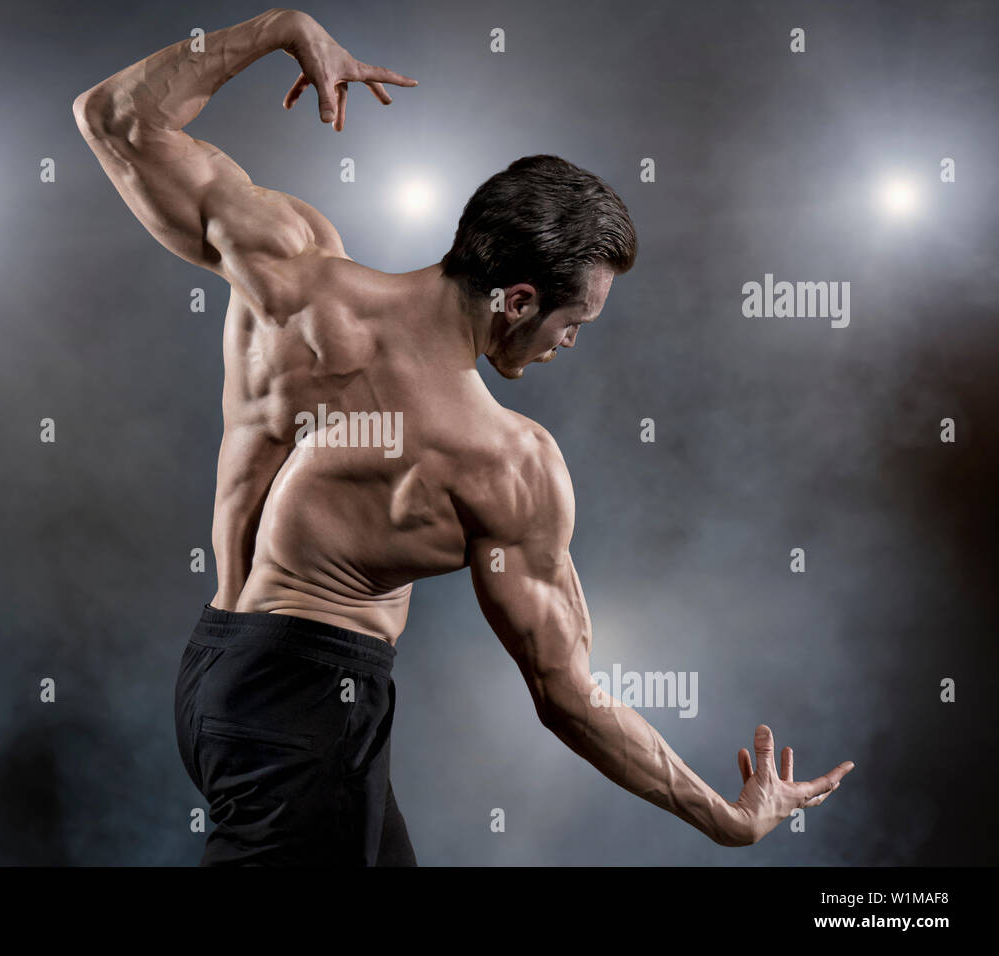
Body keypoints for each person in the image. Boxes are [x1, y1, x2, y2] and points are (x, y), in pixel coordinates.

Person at [73, 7, 854, 865]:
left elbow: (115, 115)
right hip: (306, 709)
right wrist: (728, 819)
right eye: (574, 319)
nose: (572, 341)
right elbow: (567, 694)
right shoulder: (506, 460)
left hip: (218, 673)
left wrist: (281, 27)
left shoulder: (293, 269)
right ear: (517, 299)